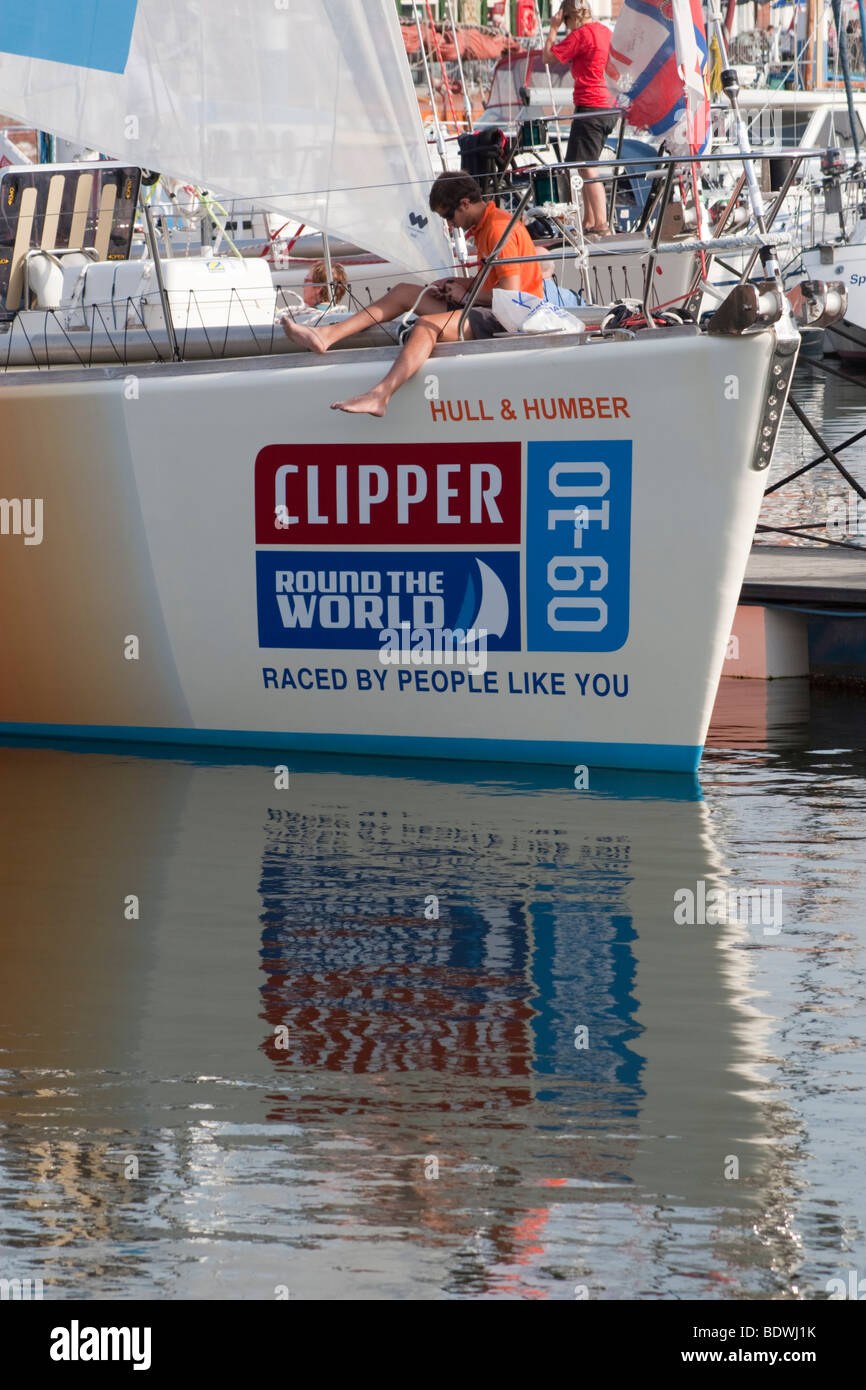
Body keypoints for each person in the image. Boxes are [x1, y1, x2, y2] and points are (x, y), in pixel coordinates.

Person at [279, 171, 544, 417]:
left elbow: (511, 296)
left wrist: (464, 296)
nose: (450, 224)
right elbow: (493, 281)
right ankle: (326, 335)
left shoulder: (498, 228)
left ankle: (380, 395)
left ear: (464, 203)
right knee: (404, 292)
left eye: (448, 217)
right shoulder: (487, 226)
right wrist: (456, 283)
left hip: (511, 319)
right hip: (492, 309)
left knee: (426, 325)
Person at [543, 1, 615, 235]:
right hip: (608, 107)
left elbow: (548, 58)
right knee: (584, 166)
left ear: (569, 17)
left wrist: (553, 29)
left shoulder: (580, 35)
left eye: (565, 22)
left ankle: (602, 224)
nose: (566, 27)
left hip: (590, 106)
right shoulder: (605, 31)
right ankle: (589, 221)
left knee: (588, 167)